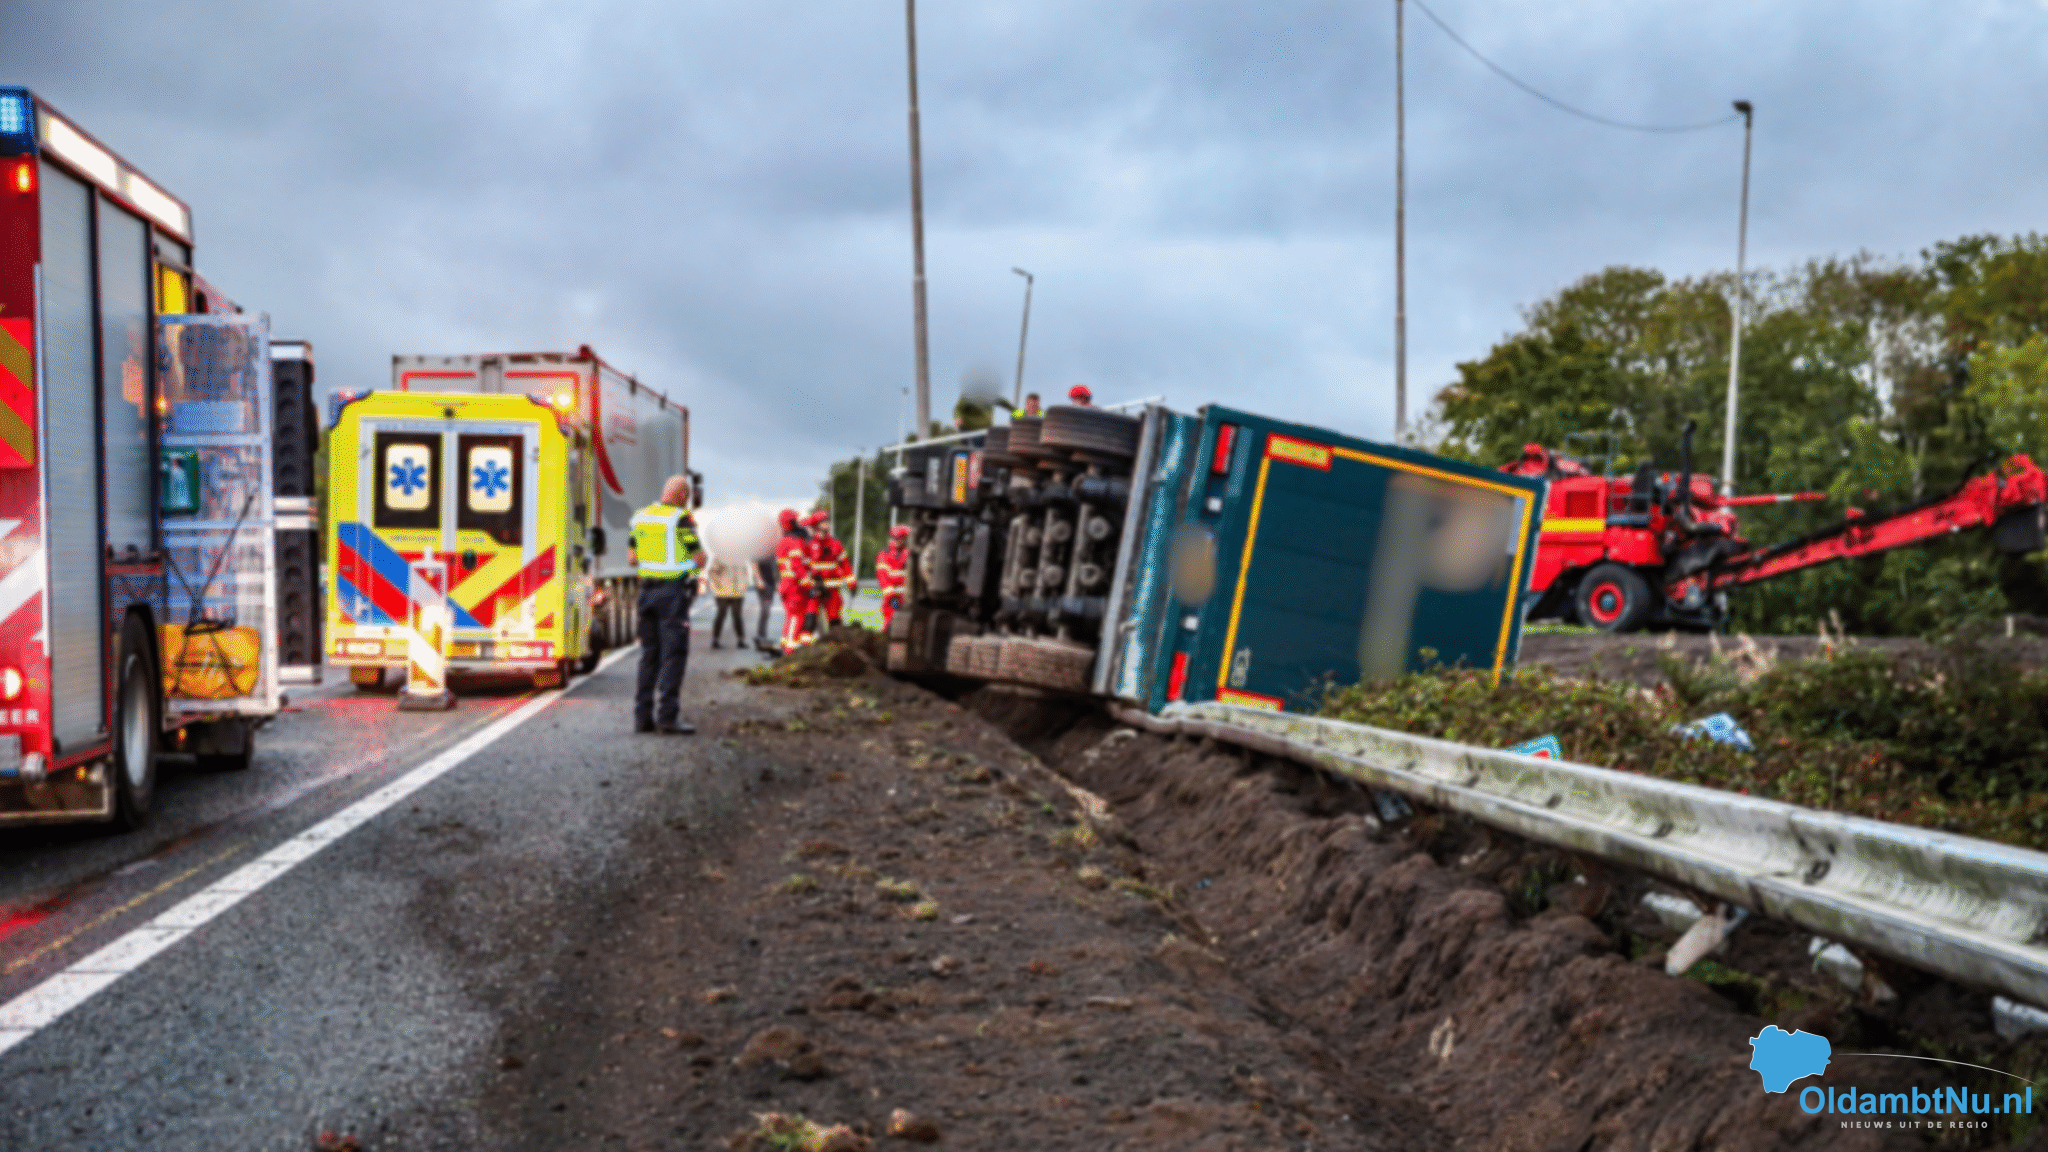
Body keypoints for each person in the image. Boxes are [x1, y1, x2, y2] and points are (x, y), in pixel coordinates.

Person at [628, 475, 705, 734]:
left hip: (646, 593)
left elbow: (631, 558)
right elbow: (700, 558)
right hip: (671, 594)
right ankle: (668, 718)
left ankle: (642, 718)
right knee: (673, 655)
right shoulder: (681, 520)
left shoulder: (639, 517)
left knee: (649, 655)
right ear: (683, 495)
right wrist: (692, 563)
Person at [773, 508, 814, 653]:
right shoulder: (794, 542)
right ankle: (790, 651)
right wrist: (809, 584)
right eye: (796, 520)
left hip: (786, 584)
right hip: (794, 586)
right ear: (791, 523)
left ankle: (785, 644)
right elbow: (797, 565)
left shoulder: (782, 542)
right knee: (796, 616)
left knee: (791, 616)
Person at [805, 510, 850, 628]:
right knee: (810, 619)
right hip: (816, 587)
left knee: (835, 620)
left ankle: (834, 644)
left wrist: (851, 581)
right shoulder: (809, 544)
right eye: (822, 521)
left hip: (833, 589)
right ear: (816, 525)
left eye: (826, 520)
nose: (826, 523)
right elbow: (804, 567)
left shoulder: (836, 544)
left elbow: (845, 564)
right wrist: (812, 581)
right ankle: (804, 644)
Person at [705, 552, 752, 649]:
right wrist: (718, 585)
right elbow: (712, 572)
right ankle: (715, 640)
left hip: (737, 592)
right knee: (721, 615)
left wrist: (744, 585)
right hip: (722, 592)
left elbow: (745, 572)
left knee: (737, 616)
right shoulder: (720, 557)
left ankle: (741, 640)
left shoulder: (741, 558)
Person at [875, 524, 910, 632]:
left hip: (908, 599)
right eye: (899, 538)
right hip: (892, 600)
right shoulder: (884, 555)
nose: (900, 541)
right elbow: (883, 579)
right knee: (889, 625)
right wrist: (893, 600)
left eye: (903, 539)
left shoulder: (909, 554)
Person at [752, 553, 777, 647]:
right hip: (763, 583)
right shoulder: (761, 550)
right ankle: (761, 636)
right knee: (765, 610)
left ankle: (761, 636)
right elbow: (754, 563)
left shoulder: (772, 551)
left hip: (771, 583)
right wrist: (758, 579)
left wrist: (777, 582)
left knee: (767, 611)